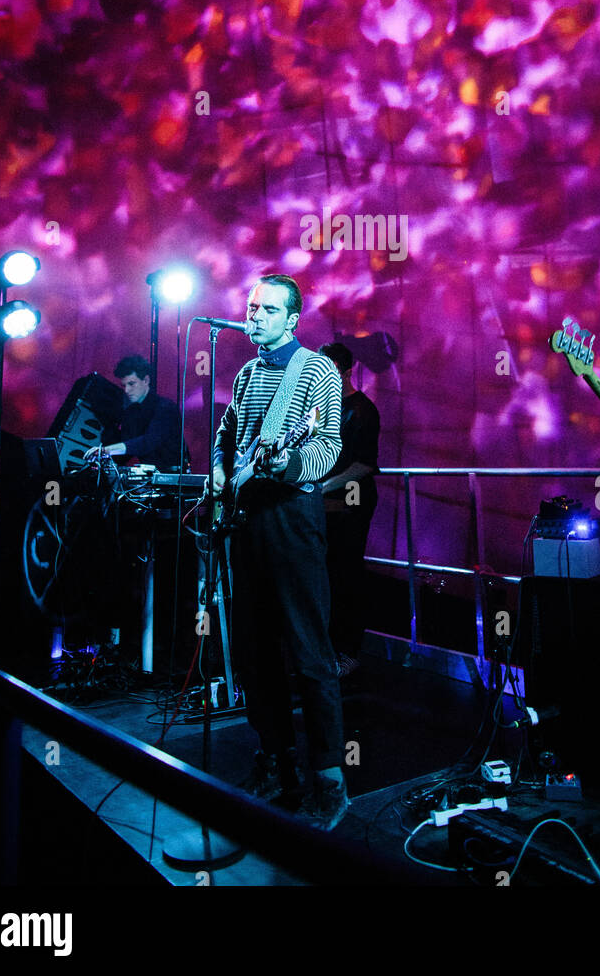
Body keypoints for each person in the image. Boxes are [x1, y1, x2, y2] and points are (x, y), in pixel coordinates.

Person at [211, 275, 348, 829]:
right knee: (254, 649)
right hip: (247, 522)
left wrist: (285, 463)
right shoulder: (245, 374)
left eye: (269, 309)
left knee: (309, 649)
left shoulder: (316, 370)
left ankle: (330, 779)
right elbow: (226, 437)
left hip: (291, 518)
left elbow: (329, 444)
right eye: (252, 307)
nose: (256, 316)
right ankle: (276, 760)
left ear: (292, 319)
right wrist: (221, 473)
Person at [318, 343, 380, 677]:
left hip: (350, 503)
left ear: (345, 372)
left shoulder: (362, 410)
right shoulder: (324, 409)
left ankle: (348, 651)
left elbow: (364, 465)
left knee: (346, 574)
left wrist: (325, 487)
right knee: (327, 576)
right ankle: (328, 648)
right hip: (327, 504)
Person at [84, 355, 182, 471]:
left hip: (175, 478)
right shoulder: (131, 413)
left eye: (131, 384)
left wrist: (106, 451)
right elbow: (124, 455)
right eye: (124, 385)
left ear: (146, 380)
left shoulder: (165, 407)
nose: (127, 390)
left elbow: (147, 442)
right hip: (149, 479)